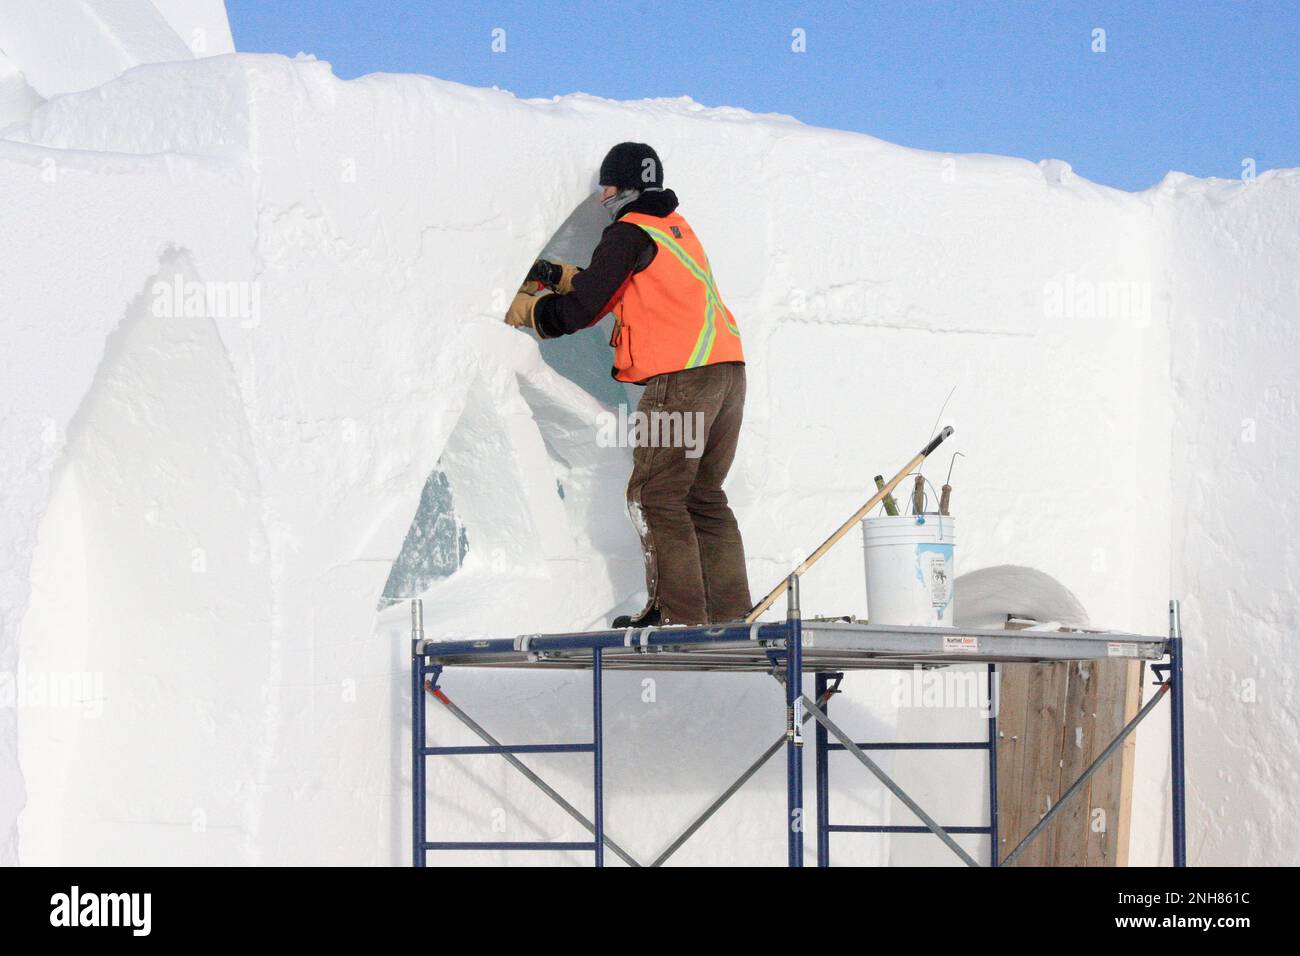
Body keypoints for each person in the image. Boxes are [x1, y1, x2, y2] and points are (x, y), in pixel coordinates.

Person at [505, 142, 752, 628]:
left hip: (681, 381)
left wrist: (533, 312)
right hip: (727, 374)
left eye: (608, 187)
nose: (602, 197)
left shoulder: (627, 231)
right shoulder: (675, 228)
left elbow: (583, 310)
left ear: (626, 187)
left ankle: (676, 618)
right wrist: (560, 275)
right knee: (703, 496)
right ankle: (729, 615)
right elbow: (622, 283)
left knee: (655, 494)